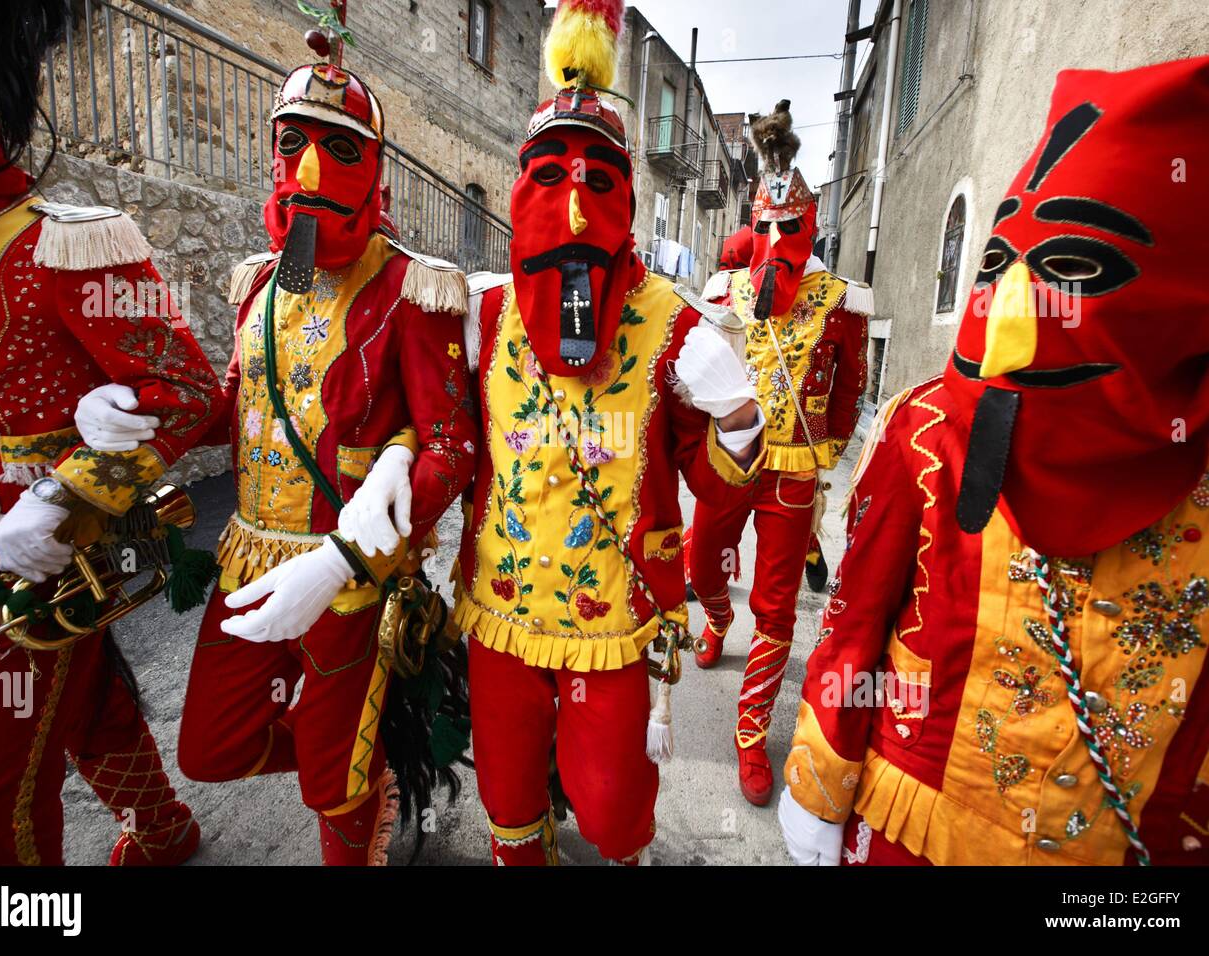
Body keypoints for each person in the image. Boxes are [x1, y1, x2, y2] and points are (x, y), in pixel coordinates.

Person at [779, 51, 1209, 866]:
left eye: (1074, 270)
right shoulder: (929, 426)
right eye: (997, 267)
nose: (1011, 329)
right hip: (919, 825)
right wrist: (820, 782)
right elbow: (856, 626)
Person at [448, 0, 764, 865]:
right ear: (519, 186)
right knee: (507, 800)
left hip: (617, 618)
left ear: (627, 191)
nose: (576, 210)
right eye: (549, 177)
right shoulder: (479, 312)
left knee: (616, 806)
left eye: (599, 180)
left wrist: (738, 422)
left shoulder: (671, 325)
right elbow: (443, 439)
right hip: (501, 612)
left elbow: (713, 481)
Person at [168, 28, 475, 866]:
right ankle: (357, 759)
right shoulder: (261, 281)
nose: (307, 170)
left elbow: (455, 444)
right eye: (292, 143)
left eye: (337, 148)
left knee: (332, 787)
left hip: (351, 580)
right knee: (208, 749)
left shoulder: (417, 289)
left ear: (373, 169)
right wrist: (143, 424)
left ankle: (352, 788)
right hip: (248, 559)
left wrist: (351, 552)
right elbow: (236, 404)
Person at [0, 0, 220, 865]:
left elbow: (182, 391)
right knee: (89, 708)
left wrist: (60, 497)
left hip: (40, 574)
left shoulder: (61, 247)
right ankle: (164, 830)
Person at [688, 126, 871, 807]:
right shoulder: (725, 289)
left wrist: (833, 447)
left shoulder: (842, 301)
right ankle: (711, 616)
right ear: (751, 223)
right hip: (732, 458)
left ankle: (749, 729)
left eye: (787, 226)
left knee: (774, 606)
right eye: (764, 225)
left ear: (810, 225)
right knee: (704, 560)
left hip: (795, 470)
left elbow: (851, 384)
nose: (774, 237)